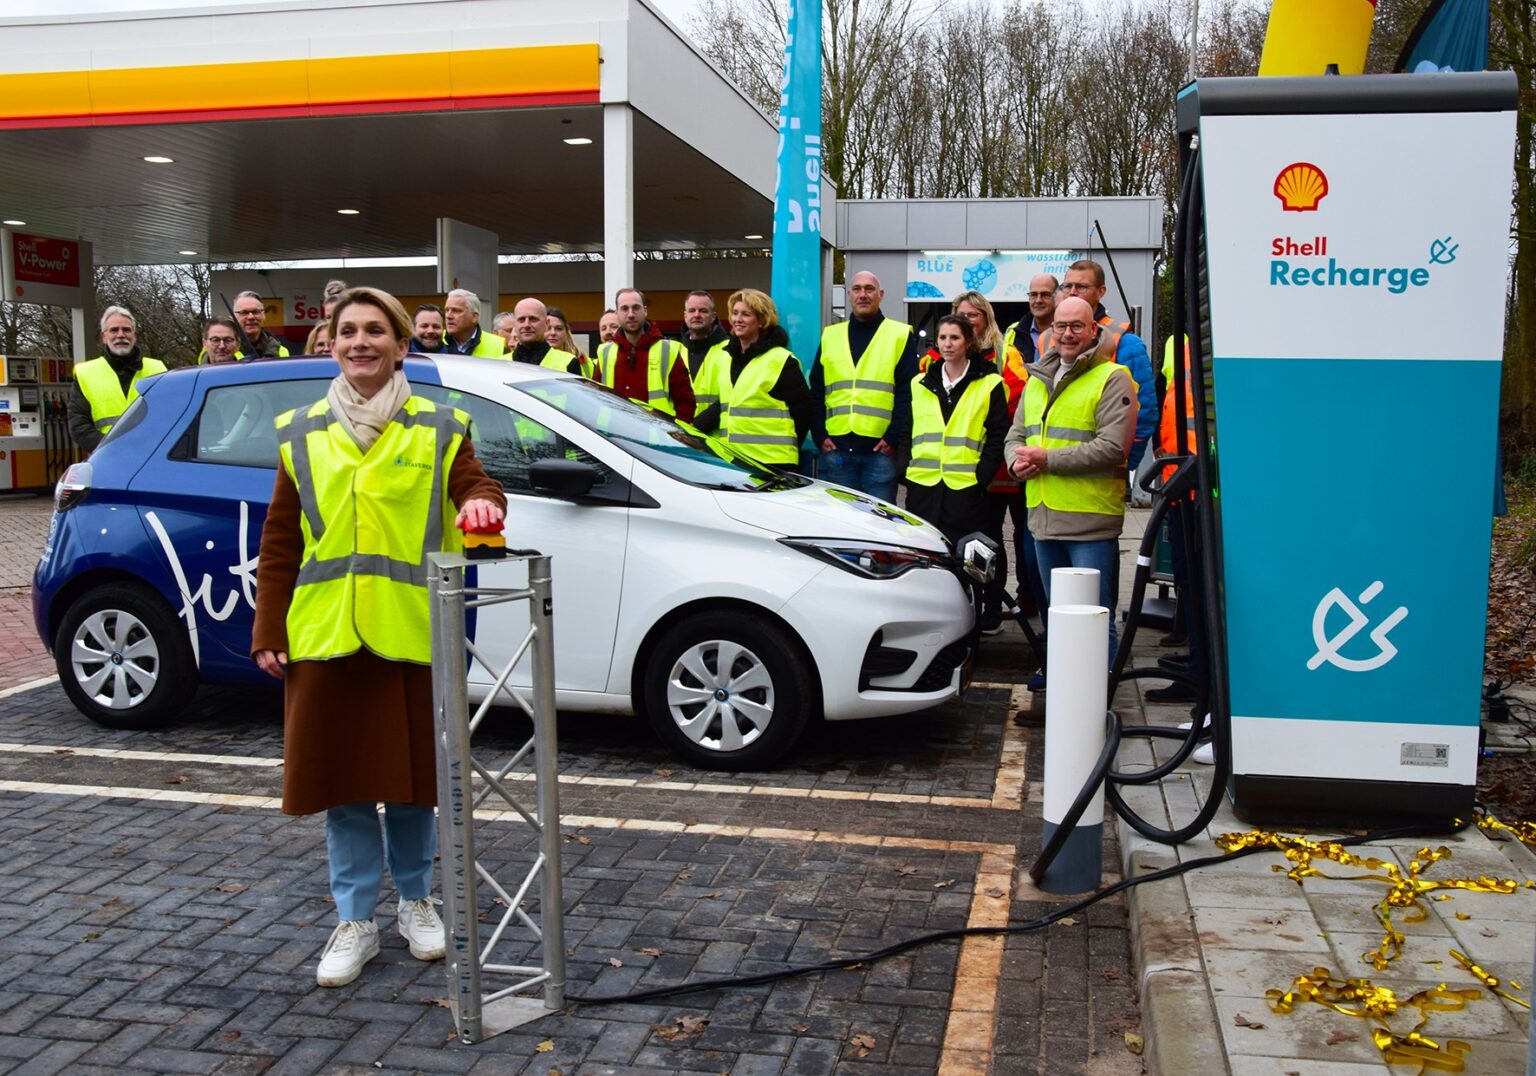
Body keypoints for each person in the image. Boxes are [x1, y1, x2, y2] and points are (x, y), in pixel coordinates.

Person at [251, 286, 506, 988]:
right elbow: (279, 541)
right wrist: (268, 627)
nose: (359, 342)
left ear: (401, 344)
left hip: (411, 635)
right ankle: (356, 917)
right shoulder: (298, 430)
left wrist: (483, 502)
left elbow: (475, 485)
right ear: (329, 343)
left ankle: (418, 902)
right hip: (327, 636)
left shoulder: (441, 425)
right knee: (347, 789)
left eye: (375, 331)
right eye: (347, 331)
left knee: (415, 787)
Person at [1006, 296, 1136, 672]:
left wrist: (1046, 459)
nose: (1067, 334)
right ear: (1050, 331)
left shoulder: (1112, 378)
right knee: (1059, 617)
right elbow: (1015, 437)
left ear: (1093, 330)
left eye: (1077, 326)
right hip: (1044, 519)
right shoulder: (1037, 380)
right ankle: (1065, 697)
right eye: (1060, 326)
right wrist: (1017, 463)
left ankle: (1098, 705)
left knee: (1092, 618)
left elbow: (1113, 448)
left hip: (1089, 522)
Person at [810, 270, 917, 503]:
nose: (863, 294)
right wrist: (819, 434)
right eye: (857, 289)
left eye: (869, 289)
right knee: (842, 523)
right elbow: (817, 388)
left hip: (880, 450)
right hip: (837, 447)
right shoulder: (831, 335)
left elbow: (907, 392)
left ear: (881, 295)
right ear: (849, 294)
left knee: (881, 525)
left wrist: (893, 438)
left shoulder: (899, 334)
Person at [902, 314, 1008, 545]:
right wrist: (904, 469)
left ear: (968, 342)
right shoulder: (918, 383)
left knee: (961, 557)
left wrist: (982, 478)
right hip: (922, 487)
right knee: (924, 552)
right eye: (942, 337)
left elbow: (998, 437)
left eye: (954, 338)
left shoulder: (990, 384)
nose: (947, 344)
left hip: (966, 489)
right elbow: (906, 431)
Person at [1040, 260, 1156, 471]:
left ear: (1101, 292)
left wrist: (1126, 462)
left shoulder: (1125, 341)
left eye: (1081, 287)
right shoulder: (1047, 338)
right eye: (1067, 286)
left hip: (1100, 470)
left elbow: (1145, 411)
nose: (1072, 292)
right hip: (1050, 467)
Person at [693, 288, 816, 469]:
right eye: (735, 313)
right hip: (735, 459)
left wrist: (785, 450)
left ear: (761, 321)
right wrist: (689, 430)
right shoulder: (727, 358)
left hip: (774, 463)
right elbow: (725, 406)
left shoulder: (781, 360)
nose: (737, 319)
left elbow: (803, 412)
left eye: (745, 314)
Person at [68, 305, 168, 453]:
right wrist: (110, 448)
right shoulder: (85, 373)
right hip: (106, 458)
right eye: (114, 330)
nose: (120, 335)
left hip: (151, 455)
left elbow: (170, 415)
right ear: (104, 337)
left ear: (135, 335)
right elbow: (78, 424)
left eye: (126, 330)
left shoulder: (158, 370)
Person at [596, 288, 695, 421]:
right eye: (624, 309)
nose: (631, 314)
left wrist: (674, 436)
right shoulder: (605, 352)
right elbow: (595, 399)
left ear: (645, 311)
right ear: (617, 313)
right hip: (612, 436)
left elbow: (685, 403)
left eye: (636, 308)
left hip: (657, 438)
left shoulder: (668, 350)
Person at [508, 297, 585, 373]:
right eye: (521, 319)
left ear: (546, 323)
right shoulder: (500, 363)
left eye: (533, 319)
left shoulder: (569, 362)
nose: (526, 325)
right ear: (515, 324)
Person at [1003, 273, 1058, 360]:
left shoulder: (1066, 330)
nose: (1038, 300)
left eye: (1045, 294)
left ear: (1057, 297)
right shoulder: (1013, 331)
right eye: (1033, 294)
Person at [442, 289, 506, 357]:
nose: (448, 316)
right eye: (447, 310)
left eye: (456, 311)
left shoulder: (499, 345)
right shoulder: (436, 339)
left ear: (474, 316)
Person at [680, 290, 728, 380]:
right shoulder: (676, 351)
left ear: (713, 317)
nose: (697, 315)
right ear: (685, 316)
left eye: (703, 311)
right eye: (691, 310)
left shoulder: (729, 349)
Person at [232, 291, 291, 359]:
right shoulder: (225, 351)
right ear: (234, 317)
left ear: (264, 315)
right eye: (244, 312)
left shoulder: (281, 352)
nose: (251, 317)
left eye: (255, 311)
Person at [544, 306, 593, 379]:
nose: (553, 333)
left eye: (559, 328)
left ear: (566, 332)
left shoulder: (584, 362)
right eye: (548, 328)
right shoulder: (528, 360)